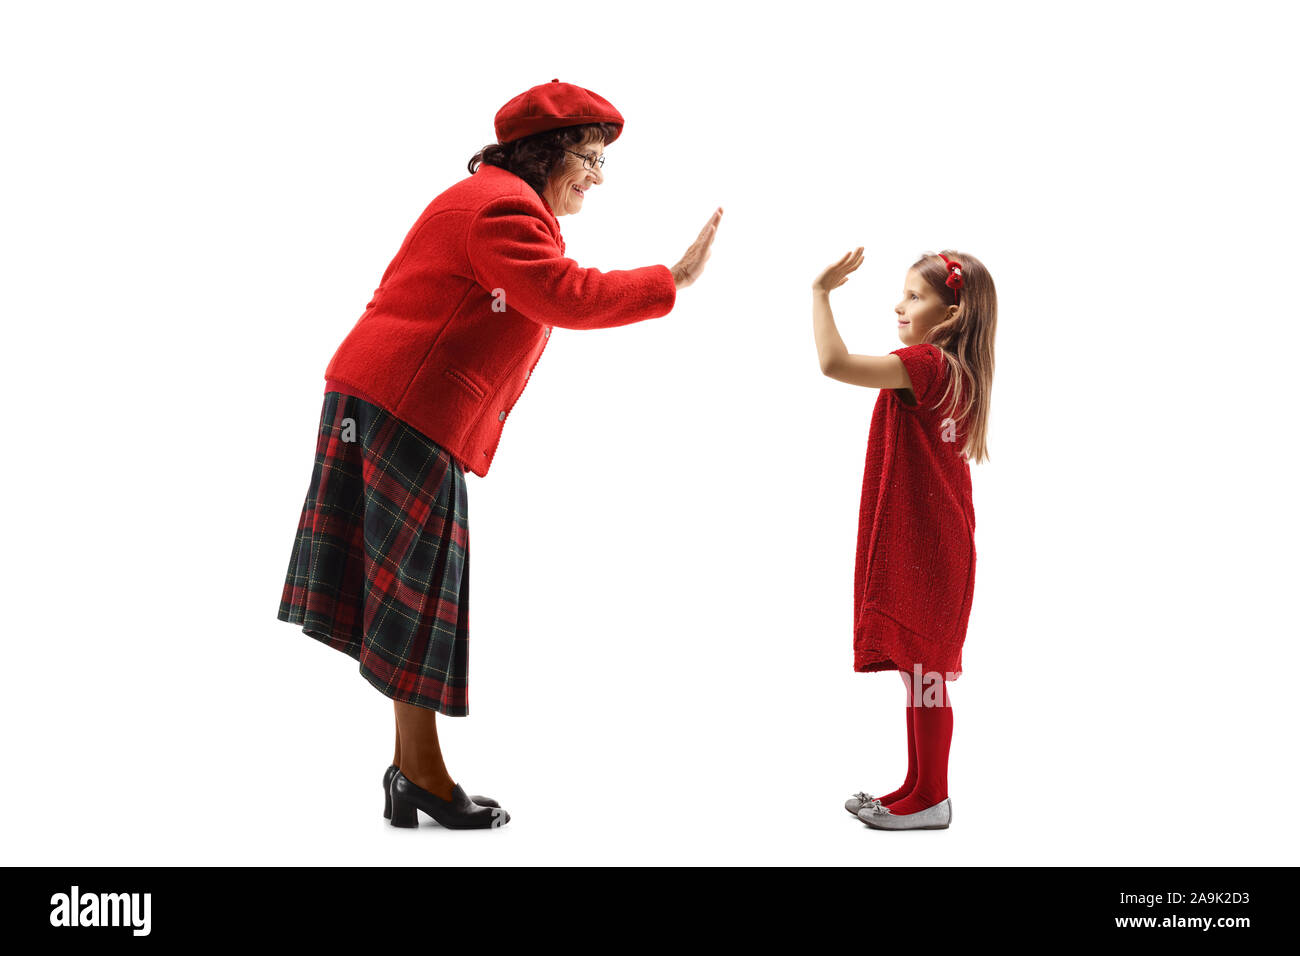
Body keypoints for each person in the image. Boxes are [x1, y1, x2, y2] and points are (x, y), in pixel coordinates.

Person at [276, 79, 722, 830]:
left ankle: (414, 770)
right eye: (588, 156)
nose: (598, 176)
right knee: (416, 594)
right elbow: (565, 296)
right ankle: (418, 771)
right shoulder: (502, 208)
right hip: (404, 407)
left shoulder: (491, 199)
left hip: (391, 404)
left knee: (413, 594)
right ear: (544, 153)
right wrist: (670, 280)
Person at [810, 248, 996, 830]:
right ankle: (917, 787)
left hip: (930, 541)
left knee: (929, 674)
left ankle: (932, 798)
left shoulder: (925, 364)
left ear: (952, 311)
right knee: (924, 672)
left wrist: (820, 293)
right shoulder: (958, 369)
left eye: (914, 296)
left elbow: (835, 364)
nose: (900, 304)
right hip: (941, 539)